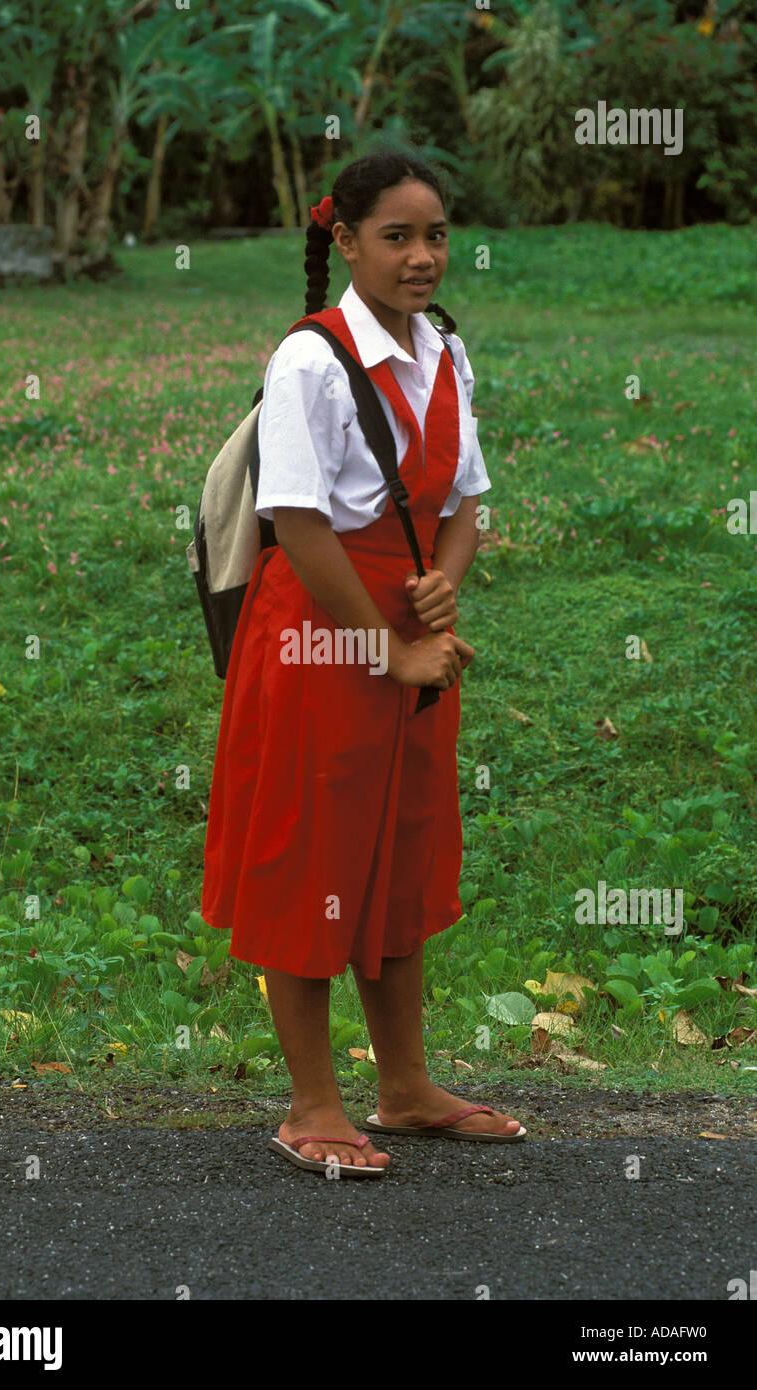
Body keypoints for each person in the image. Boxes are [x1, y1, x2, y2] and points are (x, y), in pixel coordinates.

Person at [201, 150, 525, 1177]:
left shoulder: (445, 352)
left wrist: (445, 585)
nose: (422, 256)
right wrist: (387, 643)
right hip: (319, 633)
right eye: (397, 236)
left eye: (434, 235)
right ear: (345, 242)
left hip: (413, 634)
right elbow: (294, 518)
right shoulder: (311, 359)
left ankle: (404, 1085)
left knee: (402, 848)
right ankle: (310, 1104)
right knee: (312, 851)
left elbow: (466, 496)